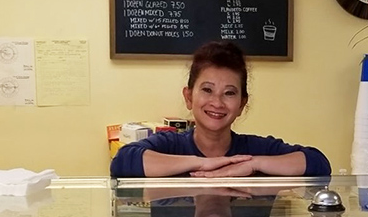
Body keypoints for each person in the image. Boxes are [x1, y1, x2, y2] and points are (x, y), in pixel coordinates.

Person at [110, 40, 331, 178]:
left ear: (242, 104)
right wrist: (203, 163)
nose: (217, 102)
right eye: (207, 90)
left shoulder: (256, 148)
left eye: (229, 93)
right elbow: (122, 162)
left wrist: (253, 164)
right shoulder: (169, 145)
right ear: (189, 97)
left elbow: (318, 163)